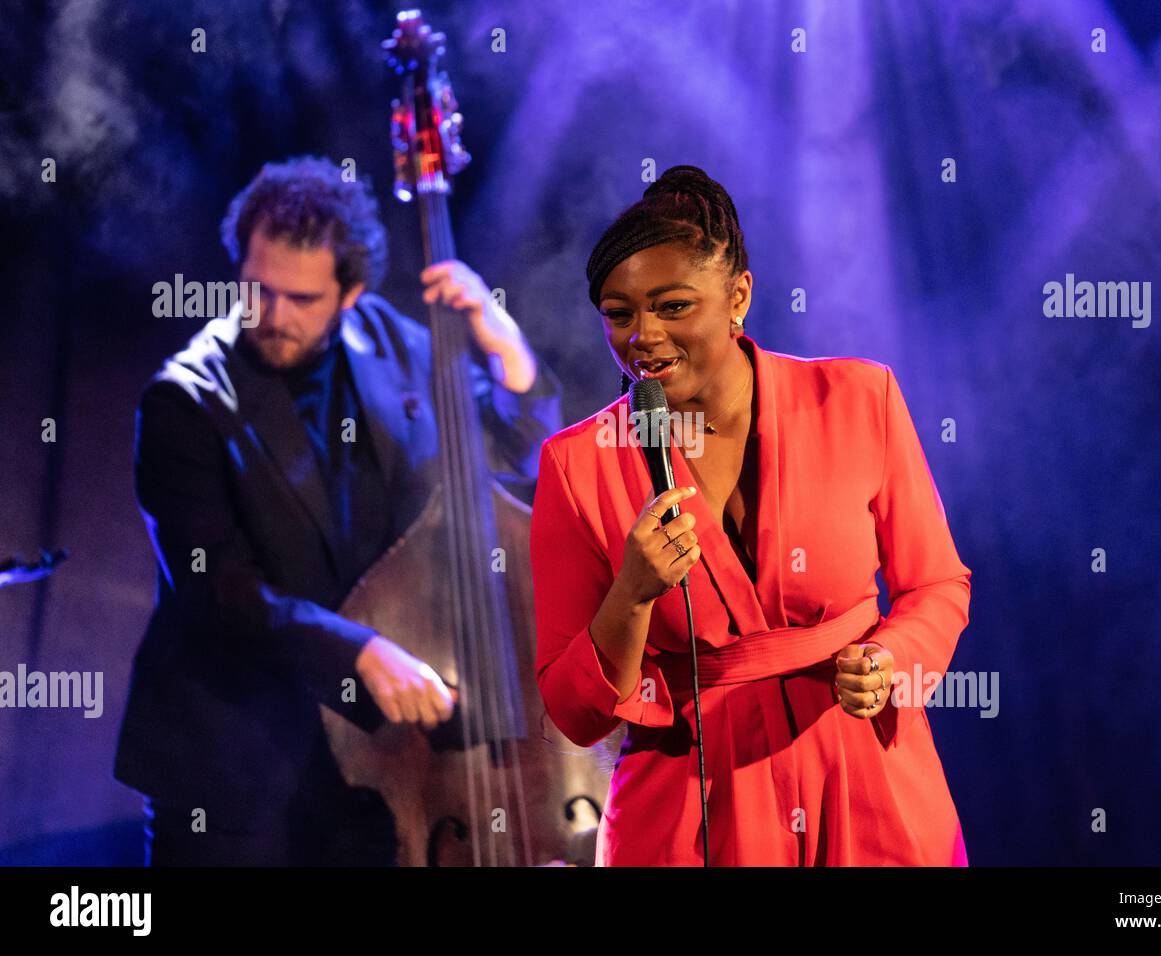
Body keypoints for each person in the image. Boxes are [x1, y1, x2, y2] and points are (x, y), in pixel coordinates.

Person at [114, 156, 561, 865]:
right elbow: (219, 589)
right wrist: (360, 651)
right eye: (256, 289)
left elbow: (516, 456)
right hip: (235, 766)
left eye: (300, 298)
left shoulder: (388, 342)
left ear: (350, 293)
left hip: (375, 769)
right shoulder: (185, 400)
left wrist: (506, 348)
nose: (270, 315)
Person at [530, 165, 972, 866]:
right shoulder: (575, 464)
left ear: (738, 296)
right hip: (691, 813)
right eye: (619, 313)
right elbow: (571, 711)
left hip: (866, 785)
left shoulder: (859, 397)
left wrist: (892, 663)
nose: (641, 335)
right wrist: (631, 596)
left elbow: (938, 585)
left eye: (672, 306)